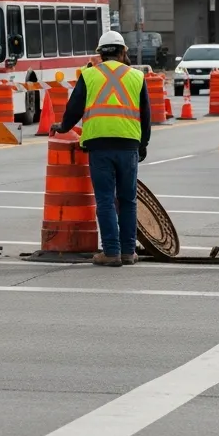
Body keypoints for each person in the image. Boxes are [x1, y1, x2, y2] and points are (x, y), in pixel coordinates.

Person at [53, 31, 152, 267]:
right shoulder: (137, 76)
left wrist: (63, 126)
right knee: (127, 200)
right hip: (128, 144)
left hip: (99, 145)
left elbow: (74, 108)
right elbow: (146, 115)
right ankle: (128, 252)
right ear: (122, 51)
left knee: (106, 200)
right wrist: (144, 143)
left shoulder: (89, 75)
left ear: (100, 53)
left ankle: (111, 252)